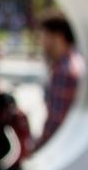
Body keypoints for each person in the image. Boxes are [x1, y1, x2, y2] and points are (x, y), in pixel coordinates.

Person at [34, 13, 84, 150]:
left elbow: (56, 123)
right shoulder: (73, 62)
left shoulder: (64, 72)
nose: (41, 42)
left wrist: (37, 148)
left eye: (43, 36)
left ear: (58, 37)